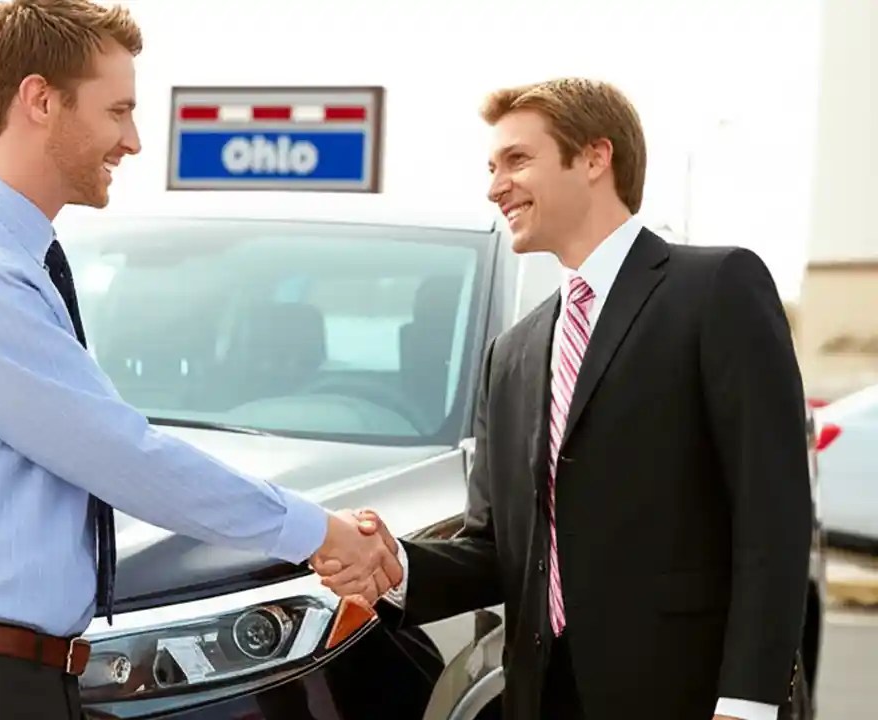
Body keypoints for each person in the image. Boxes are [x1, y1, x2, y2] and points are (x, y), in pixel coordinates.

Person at [0, 2, 399, 718]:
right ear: (40, 100)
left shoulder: (6, 262)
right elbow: (118, 452)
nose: (133, 140)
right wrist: (316, 531)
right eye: (119, 111)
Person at [320, 77, 813, 720]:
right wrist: (396, 564)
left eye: (517, 160)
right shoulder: (513, 354)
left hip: (689, 696)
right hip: (543, 695)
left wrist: (748, 701)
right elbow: (496, 552)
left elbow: (771, 518)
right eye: (492, 166)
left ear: (594, 158)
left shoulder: (716, 289)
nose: (496, 185)